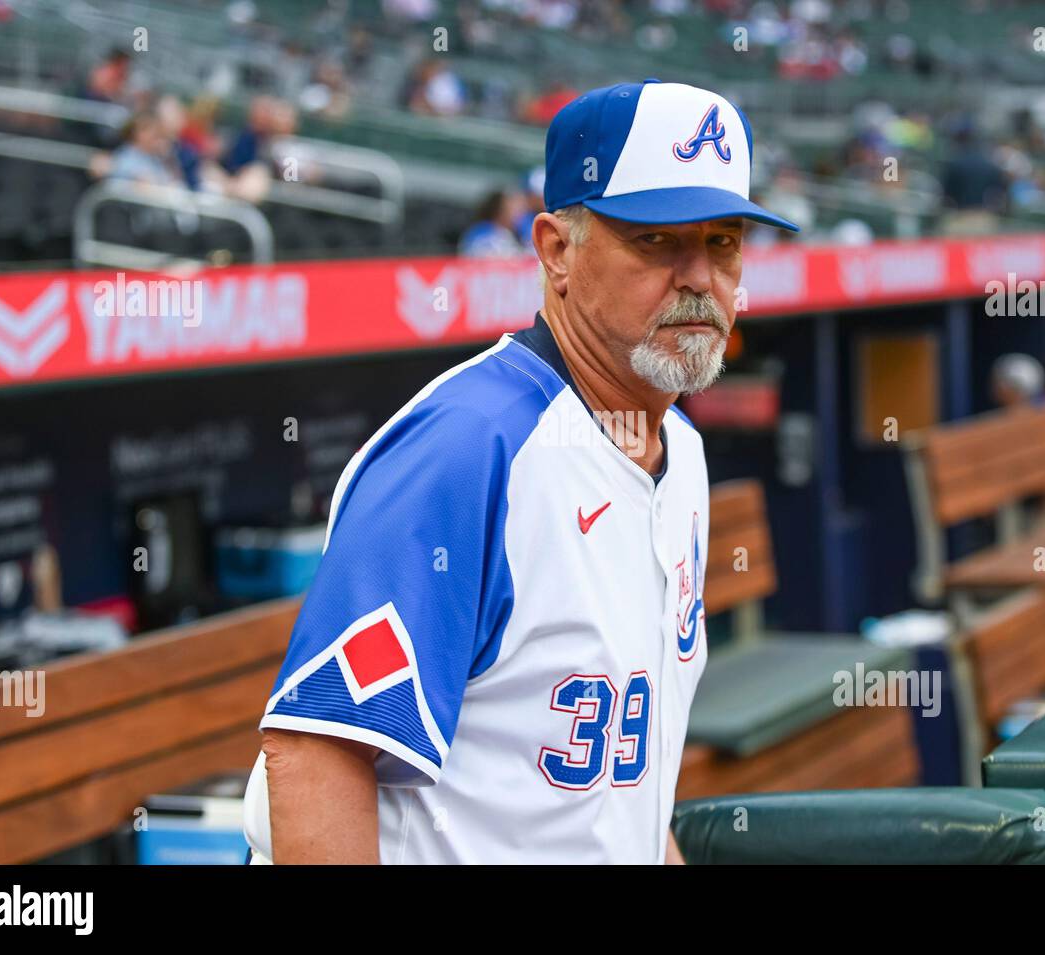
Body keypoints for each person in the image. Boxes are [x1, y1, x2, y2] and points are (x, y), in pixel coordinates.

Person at [242, 78, 799, 865]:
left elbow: (617, 803)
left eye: (723, 242)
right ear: (556, 251)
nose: (699, 276)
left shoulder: (683, 454)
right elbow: (316, 751)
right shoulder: (471, 447)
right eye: (655, 240)